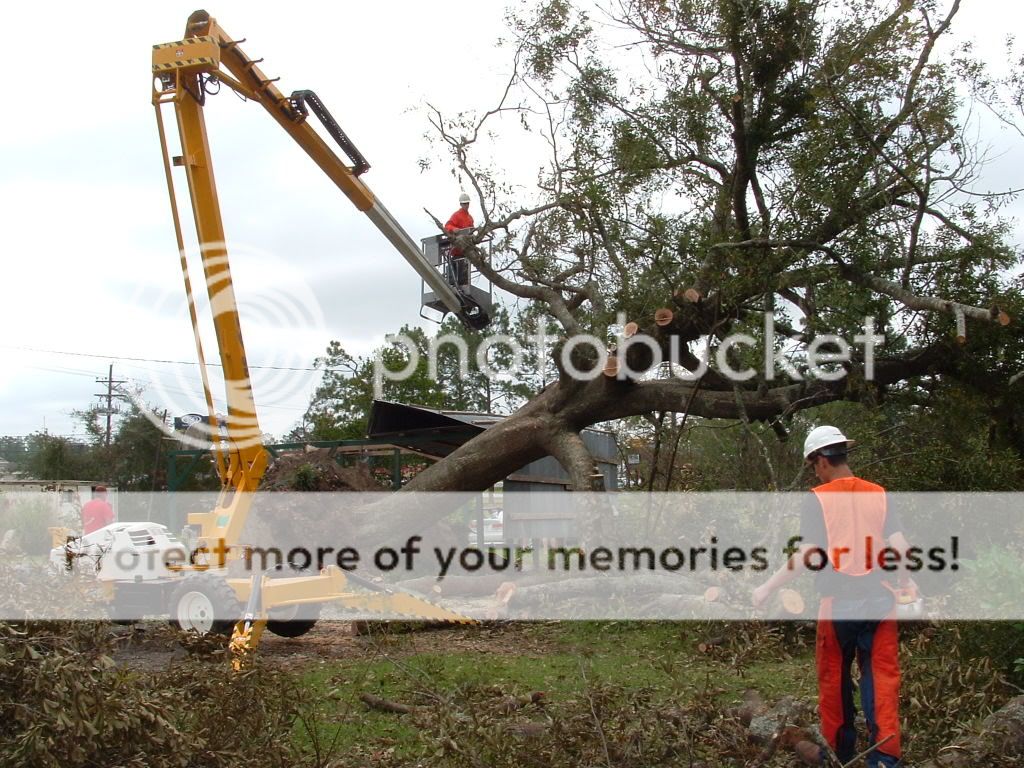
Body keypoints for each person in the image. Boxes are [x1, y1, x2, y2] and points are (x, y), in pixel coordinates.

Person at [752, 426, 911, 768]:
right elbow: (901, 548)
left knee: (834, 682)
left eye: (814, 465)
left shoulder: (819, 499)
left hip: (838, 603)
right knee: (881, 679)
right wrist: (905, 583)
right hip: (881, 601)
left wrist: (767, 587)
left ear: (822, 460)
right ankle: (884, 758)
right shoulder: (879, 493)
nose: (815, 472)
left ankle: (839, 755)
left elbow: (808, 554)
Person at [444, 192, 474, 286]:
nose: (466, 205)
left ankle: (462, 283)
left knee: (464, 272)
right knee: (456, 268)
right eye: (464, 203)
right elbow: (447, 226)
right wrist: (454, 229)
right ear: (461, 204)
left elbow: (471, 230)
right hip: (457, 249)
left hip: (466, 250)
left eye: (467, 203)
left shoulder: (470, 218)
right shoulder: (456, 215)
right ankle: (454, 283)